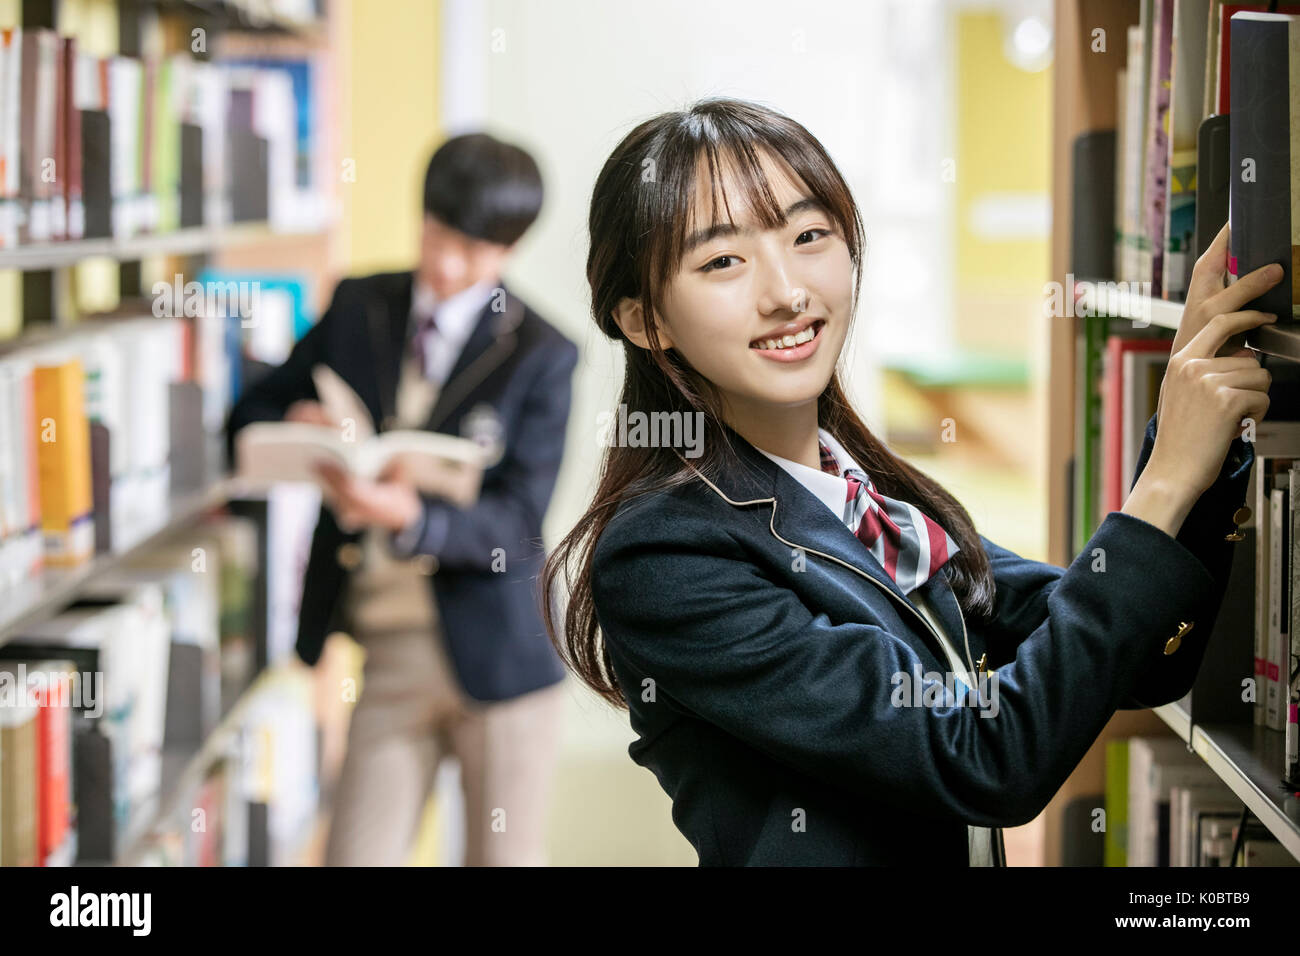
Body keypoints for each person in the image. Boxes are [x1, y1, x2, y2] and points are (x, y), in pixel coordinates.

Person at [541, 97, 1277, 866]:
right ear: (644, 320)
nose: (787, 290)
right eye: (723, 260)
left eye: (809, 235)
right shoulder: (666, 555)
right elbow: (988, 756)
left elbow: (1141, 658)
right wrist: (1163, 481)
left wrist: (1200, 428)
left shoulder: (869, 498)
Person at [227, 132, 579, 866]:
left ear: (509, 249)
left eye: (475, 251)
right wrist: (298, 420)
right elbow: (249, 413)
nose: (448, 263)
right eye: (438, 234)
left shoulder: (543, 353)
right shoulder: (359, 305)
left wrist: (408, 517)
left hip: (503, 662)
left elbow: (516, 525)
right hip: (388, 656)